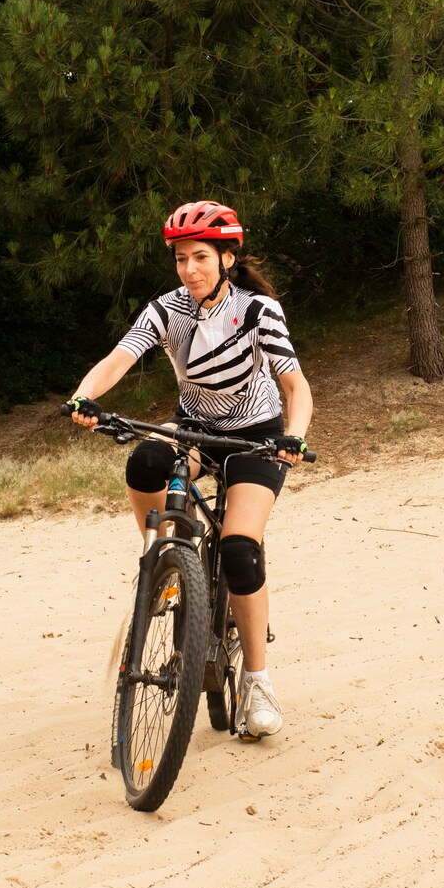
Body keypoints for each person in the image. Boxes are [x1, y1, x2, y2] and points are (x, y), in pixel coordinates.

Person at [66, 201, 312, 739]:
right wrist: (84, 395)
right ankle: (163, 568)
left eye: (200, 256)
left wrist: (294, 435)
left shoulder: (256, 311)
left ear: (227, 257)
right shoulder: (167, 310)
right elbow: (118, 358)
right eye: (180, 259)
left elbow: (295, 384)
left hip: (256, 437)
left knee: (240, 550)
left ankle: (257, 683)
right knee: (146, 461)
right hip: (194, 430)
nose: (189, 269)